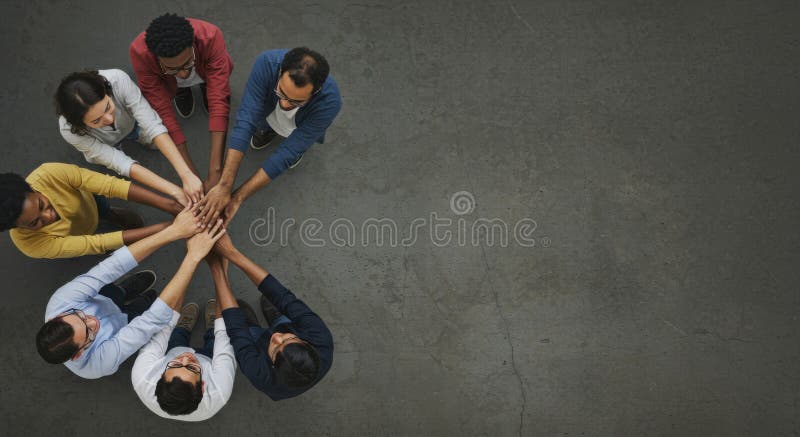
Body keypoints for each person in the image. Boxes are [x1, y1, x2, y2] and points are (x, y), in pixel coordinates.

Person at [35, 204, 225, 379]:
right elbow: (149, 321)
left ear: (57, 317)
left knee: (114, 290)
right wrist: (192, 256)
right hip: (126, 325)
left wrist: (174, 231)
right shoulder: (98, 365)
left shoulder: (60, 302)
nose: (92, 320)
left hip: (104, 297)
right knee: (145, 308)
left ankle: (125, 289)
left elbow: (109, 268)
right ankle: (145, 298)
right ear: (79, 354)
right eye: (90, 332)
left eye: (80, 314)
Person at [199, 47, 342, 226]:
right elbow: (246, 120)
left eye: (296, 101)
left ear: (316, 91)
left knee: (294, 148)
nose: (284, 103)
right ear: (280, 72)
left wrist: (237, 198)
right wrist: (225, 184)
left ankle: (290, 141)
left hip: (298, 127)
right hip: (268, 113)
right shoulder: (266, 63)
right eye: (281, 92)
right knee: (262, 121)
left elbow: (286, 152)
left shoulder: (331, 102)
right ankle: (268, 129)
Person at [55, 69, 203, 205]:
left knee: (153, 140)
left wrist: (186, 175)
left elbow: (152, 124)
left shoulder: (118, 80)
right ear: (79, 124)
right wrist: (175, 191)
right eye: (96, 121)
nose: (109, 119)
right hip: (105, 143)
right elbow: (119, 162)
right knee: (113, 161)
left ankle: (136, 136)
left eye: (108, 107)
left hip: (133, 124)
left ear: (106, 91)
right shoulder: (69, 130)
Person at [213, 233, 333, 400]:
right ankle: (278, 319)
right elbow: (284, 297)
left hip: (257, 346)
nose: (276, 337)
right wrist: (231, 253)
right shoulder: (321, 339)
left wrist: (217, 267)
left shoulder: (260, 373)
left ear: (273, 366)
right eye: (288, 339)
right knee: (284, 310)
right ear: (305, 342)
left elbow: (237, 330)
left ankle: (254, 327)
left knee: (245, 331)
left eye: (276, 349)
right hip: (290, 333)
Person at [130, 13, 233, 191]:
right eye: (172, 68)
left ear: (193, 45)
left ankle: (203, 86)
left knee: (213, 92)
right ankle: (180, 91)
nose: (183, 74)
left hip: (205, 72)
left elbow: (219, 100)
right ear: (156, 58)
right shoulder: (139, 53)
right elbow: (162, 110)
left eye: (187, 63)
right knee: (176, 86)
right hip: (169, 84)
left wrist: (216, 171)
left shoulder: (211, 35)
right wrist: (189, 173)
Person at [131, 252, 236, 421]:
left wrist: (192, 258)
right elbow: (225, 334)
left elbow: (164, 324)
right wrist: (221, 266)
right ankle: (211, 327)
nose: (187, 358)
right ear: (203, 387)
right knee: (217, 337)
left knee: (174, 333)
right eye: (193, 368)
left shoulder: (142, 375)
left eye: (175, 364)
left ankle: (183, 328)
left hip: (175, 349)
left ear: (160, 377)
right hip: (210, 360)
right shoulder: (220, 390)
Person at [0, 163, 184, 259]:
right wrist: (168, 228)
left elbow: (111, 185)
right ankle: (121, 226)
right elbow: (92, 243)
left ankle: (112, 215)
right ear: (17, 227)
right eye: (35, 223)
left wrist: (170, 205)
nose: (49, 216)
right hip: (79, 235)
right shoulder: (30, 245)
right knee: (102, 245)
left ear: (32, 188)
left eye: (41, 204)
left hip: (89, 202)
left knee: (104, 210)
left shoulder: (48, 174)